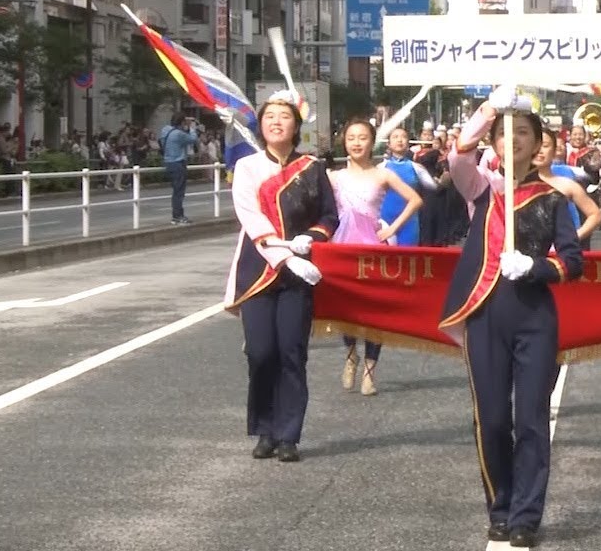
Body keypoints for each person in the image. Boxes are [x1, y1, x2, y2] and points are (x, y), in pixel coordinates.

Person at [439, 88, 582, 548]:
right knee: (493, 419)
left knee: (532, 421)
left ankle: (525, 515)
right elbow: (458, 154)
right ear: (494, 144)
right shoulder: (481, 188)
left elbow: (573, 262)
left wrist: (536, 267)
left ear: (539, 144)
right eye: (505, 133)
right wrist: (489, 111)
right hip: (484, 316)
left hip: (535, 319)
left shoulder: (553, 199)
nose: (513, 139)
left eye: (523, 132)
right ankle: (499, 507)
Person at [225, 93, 338, 462]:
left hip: (300, 272)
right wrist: (283, 256)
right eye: (269, 116)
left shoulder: (312, 167)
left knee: (292, 352)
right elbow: (252, 219)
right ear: (261, 125)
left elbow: (328, 216)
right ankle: (265, 427)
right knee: (261, 353)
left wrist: (313, 237)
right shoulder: (247, 167)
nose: (276, 121)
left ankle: (288, 434)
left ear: (296, 126)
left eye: (284, 116)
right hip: (259, 270)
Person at [330, 119, 423, 396]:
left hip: (373, 247)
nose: (357, 143)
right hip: (342, 248)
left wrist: (392, 228)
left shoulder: (383, 175)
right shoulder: (333, 177)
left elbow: (416, 200)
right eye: (351, 138)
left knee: (374, 311)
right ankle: (350, 355)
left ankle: (370, 370)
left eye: (362, 138)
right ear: (344, 142)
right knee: (344, 310)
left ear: (372, 142)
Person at [535, 127, 601, 245]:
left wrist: (573, 238)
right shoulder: (516, 182)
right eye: (536, 145)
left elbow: (596, 215)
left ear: (554, 150)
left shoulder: (567, 182)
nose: (540, 151)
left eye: (545, 146)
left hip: (562, 253)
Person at [160, 113, 199, 224]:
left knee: (176, 190)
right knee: (179, 192)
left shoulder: (165, 130)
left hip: (168, 163)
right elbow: (193, 139)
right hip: (178, 163)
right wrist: (191, 127)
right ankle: (177, 216)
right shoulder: (178, 134)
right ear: (181, 122)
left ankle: (177, 215)